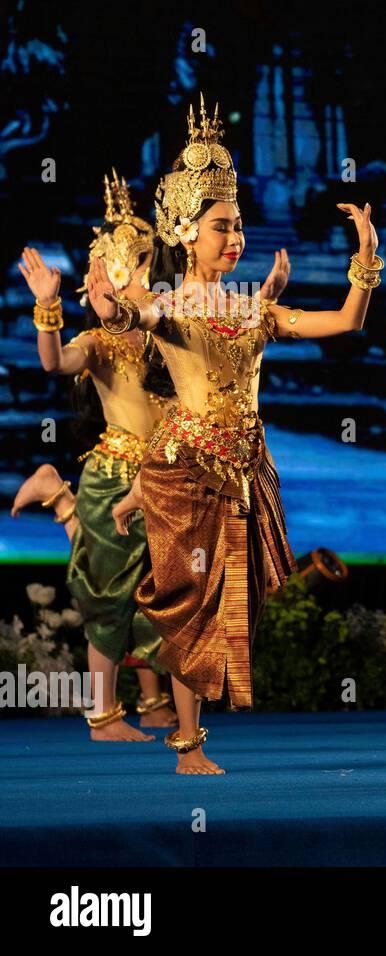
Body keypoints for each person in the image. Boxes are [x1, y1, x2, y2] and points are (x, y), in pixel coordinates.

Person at [87, 96, 381, 773]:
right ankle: (189, 744)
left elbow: (345, 323)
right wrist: (118, 303)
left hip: (246, 470)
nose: (235, 237)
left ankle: (186, 728)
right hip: (189, 467)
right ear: (187, 233)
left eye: (239, 225)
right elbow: (139, 317)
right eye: (222, 226)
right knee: (194, 598)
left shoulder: (254, 309)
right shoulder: (173, 305)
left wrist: (363, 261)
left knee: (227, 601)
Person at [11, 170, 179, 740]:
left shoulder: (169, 331)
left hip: (164, 479)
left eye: (147, 267)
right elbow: (54, 363)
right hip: (114, 475)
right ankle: (102, 715)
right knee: (108, 593)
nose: (142, 279)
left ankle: (57, 497)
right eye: (131, 269)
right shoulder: (100, 343)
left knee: (160, 594)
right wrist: (48, 309)